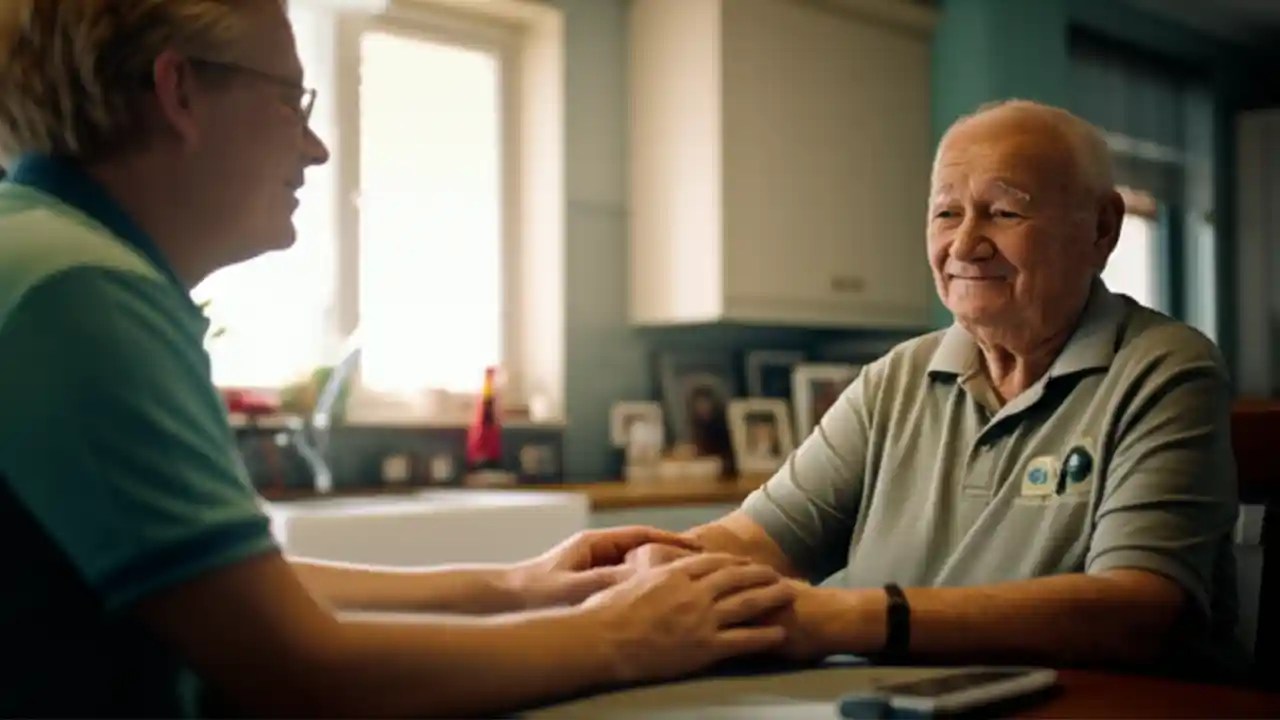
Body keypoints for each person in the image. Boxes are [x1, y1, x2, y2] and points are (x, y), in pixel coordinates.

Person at [0, 2, 795, 717]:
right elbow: (297, 672)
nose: (314, 147)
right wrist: (623, 635)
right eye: (290, 98)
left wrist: (521, 588)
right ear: (179, 92)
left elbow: (244, 597)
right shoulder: (78, 290)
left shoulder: (47, 251)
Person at [628, 100, 1247, 681]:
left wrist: (849, 619)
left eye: (1005, 212)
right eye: (947, 212)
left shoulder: (1165, 369)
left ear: (1102, 229)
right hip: (901, 702)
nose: (966, 245)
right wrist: (654, 564)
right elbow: (757, 540)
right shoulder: (895, 378)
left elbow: (1136, 609)